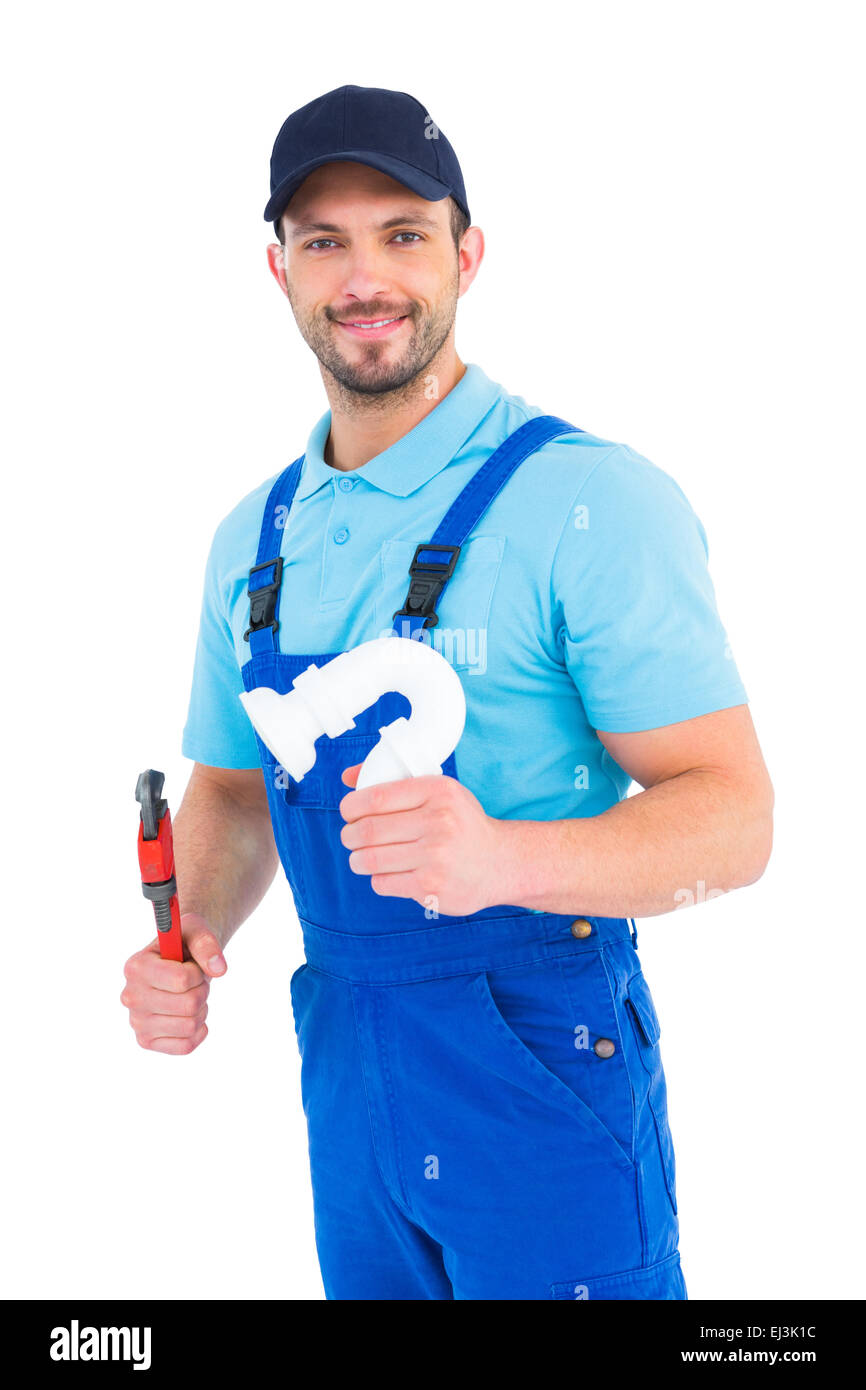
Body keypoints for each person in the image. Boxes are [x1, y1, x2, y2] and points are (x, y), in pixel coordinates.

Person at [121, 84, 774, 1301]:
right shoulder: (249, 543)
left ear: (466, 255)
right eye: (325, 241)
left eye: (402, 234)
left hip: (537, 1057)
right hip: (345, 1065)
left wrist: (505, 861)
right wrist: (189, 931)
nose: (365, 277)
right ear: (279, 271)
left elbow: (734, 818)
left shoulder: (587, 503)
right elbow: (232, 789)